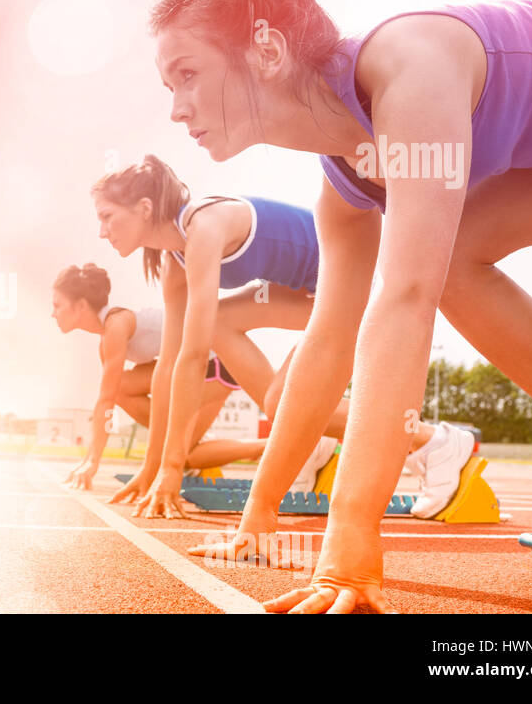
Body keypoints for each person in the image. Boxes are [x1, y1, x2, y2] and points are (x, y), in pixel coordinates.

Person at [148, 0, 532, 613]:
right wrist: (258, 518)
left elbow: (403, 302)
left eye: (188, 73)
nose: (176, 108)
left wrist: (350, 545)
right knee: (452, 261)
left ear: (267, 50)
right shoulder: (345, 183)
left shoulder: (410, 68)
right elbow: (328, 343)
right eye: (168, 87)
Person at [90, 156, 470, 517]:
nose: (102, 231)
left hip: (349, 280)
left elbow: (193, 357)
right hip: (308, 291)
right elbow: (168, 366)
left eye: (107, 217)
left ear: (143, 208)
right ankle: (314, 443)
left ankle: (433, 441)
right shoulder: (175, 261)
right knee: (232, 338)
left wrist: (173, 469)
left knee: (281, 404)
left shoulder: (203, 228)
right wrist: (152, 466)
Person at [50, 263, 268, 491]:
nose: (53, 313)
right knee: (122, 389)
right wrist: (87, 460)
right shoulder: (106, 339)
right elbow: (106, 402)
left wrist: (93, 463)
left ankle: (268, 446)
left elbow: (106, 400)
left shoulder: (116, 325)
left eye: (57, 305)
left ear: (81, 306)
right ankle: (179, 444)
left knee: (183, 455)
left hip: (217, 364)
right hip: (190, 365)